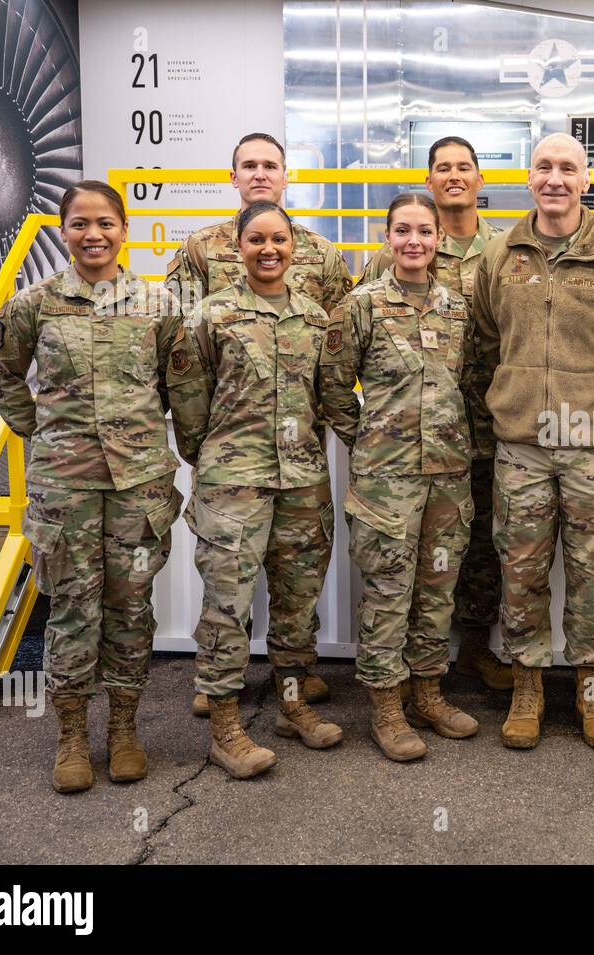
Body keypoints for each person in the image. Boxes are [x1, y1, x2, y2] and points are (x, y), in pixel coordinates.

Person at [0, 181, 187, 793]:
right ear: (62, 230)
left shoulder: (159, 305)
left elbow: (182, 385)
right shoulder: (34, 303)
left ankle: (124, 729)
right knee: (72, 609)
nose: (92, 234)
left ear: (125, 229)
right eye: (79, 223)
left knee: (130, 607)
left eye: (105, 223)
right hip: (64, 489)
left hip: (137, 488)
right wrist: (42, 430)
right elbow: (2, 371)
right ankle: (71, 736)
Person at [165, 201, 360, 779]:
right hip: (234, 484)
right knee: (228, 604)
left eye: (278, 239)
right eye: (257, 240)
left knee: (299, 600)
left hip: (302, 480)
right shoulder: (210, 315)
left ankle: (292, 703)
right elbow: (187, 394)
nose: (269, 249)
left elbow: (330, 394)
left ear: (293, 248)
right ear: (240, 246)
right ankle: (225, 728)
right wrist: (211, 454)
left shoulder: (316, 318)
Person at [472, 133, 594, 750]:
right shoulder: (500, 254)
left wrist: (593, 401)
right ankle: (527, 683)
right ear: (529, 178)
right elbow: (486, 341)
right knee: (520, 568)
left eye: (568, 168)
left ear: (588, 178)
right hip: (521, 440)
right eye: (544, 167)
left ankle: (592, 686)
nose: (555, 178)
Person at [357, 138, 512, 691]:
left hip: (484, 427)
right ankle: (405, 678)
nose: (453, 176)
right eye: (442, 167)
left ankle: (473, 648)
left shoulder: (502, 250)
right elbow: (350, 351)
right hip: (406, 441)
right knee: (406, 563)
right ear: (429, 178)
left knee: (477, 548)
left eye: (463, 167)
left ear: (479, 178)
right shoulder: (389, 260)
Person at [332, 194, 478, 761]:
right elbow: (333, 387)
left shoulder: (458, 307)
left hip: (448, 476)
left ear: (438, 238)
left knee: (437, 590)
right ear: (386, 238)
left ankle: (428, 691)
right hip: (386, 480)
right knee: (389, 592)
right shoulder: (361, 306)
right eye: (403, 231)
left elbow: (469, 380)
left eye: (425, 231)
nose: (414, 241)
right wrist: (369, 441)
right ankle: (387, 705)